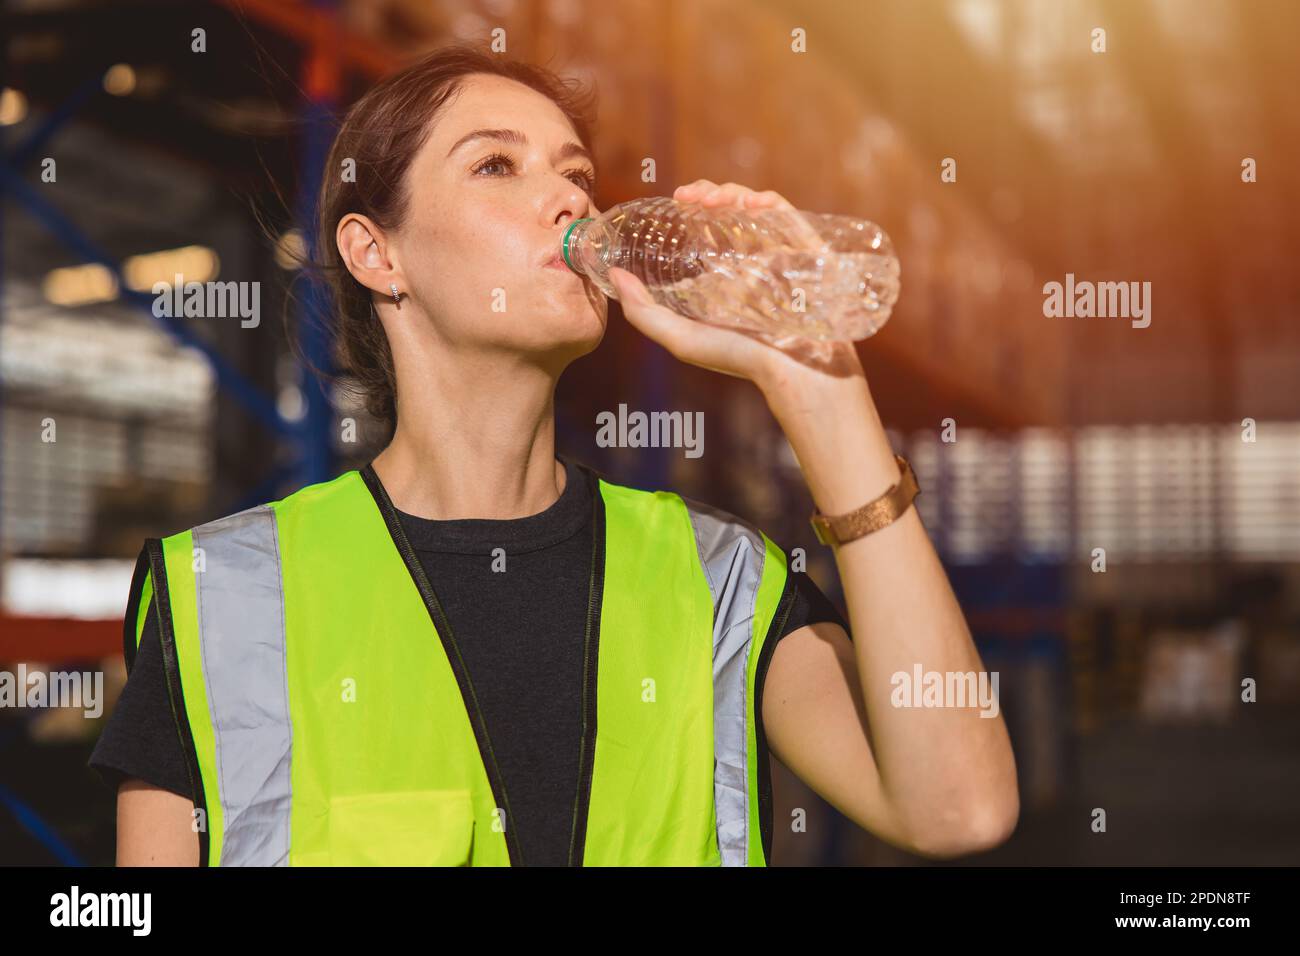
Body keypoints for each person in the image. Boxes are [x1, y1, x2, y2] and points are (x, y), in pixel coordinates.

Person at [89, 43, 1018, 866]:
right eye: (497, 164)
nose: (573, 196)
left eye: (578, 171)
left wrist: (824, 388)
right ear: (378, 255)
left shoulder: (720, 581)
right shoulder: (227, 595)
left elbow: (959, 811)